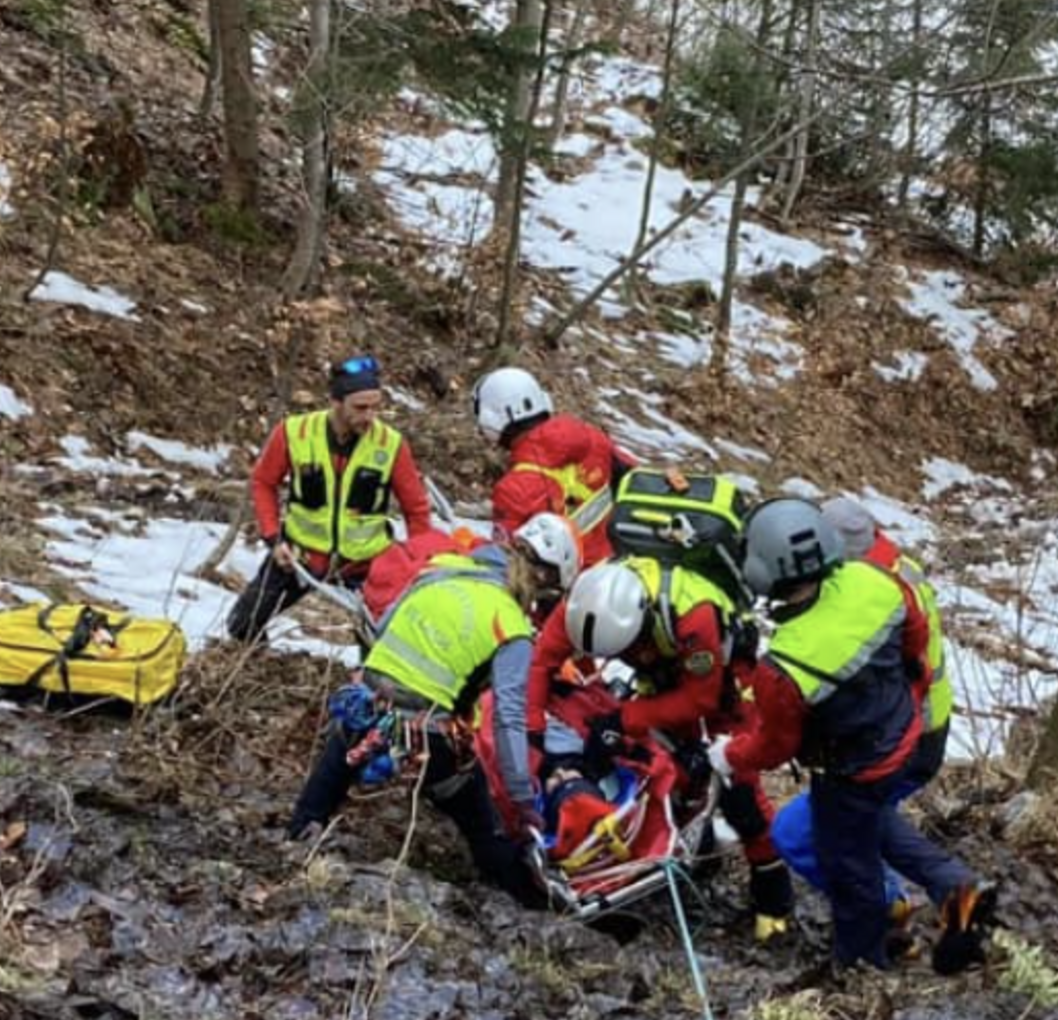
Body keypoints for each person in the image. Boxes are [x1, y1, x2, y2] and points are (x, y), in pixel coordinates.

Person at [712, 498, 991, 974]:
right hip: (904, 734)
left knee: (844, 860)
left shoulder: (787, 663)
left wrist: (731, 754)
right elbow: (916, 639)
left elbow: (776, 747)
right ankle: (953, 887)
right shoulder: (876, 582)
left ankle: (861, 961)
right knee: (864, 824)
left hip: (854, 768)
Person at [287, 517, 581, 907]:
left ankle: (296, 845)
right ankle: (540, 904)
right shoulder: (511, 627)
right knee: (483, 827)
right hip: (427, 738)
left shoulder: (440, 570)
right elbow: (508, 720)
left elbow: (380, 628)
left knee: (333, 769)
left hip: (365, 704)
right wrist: (524, 803)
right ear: (542, 580)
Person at [536, 555, 795, 938]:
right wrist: (525, 731)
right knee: (672, 766)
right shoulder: (583, 602)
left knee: (739, 787)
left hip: (721, 686)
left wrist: (623, 720)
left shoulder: (693, 614)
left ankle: (773, 899)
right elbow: (541, 663)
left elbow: (701, 699)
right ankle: (694, 845)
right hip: (659, 675)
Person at [230, 355, 433, 642]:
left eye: (376, 407)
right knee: (242, 626)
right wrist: (274, 539)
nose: (370, 416)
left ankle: (369, 684)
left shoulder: (391, 444)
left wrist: (420, 561)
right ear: (336, 402)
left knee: (386, 640)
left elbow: (417, 510)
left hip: (365, 562)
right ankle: (256, 670)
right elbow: (263, 482)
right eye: (361, 408)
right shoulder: (294, 432)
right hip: (300, 555)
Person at [474, 366, 636, 567]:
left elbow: (504, 562)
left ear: (492, 419)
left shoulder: (513, 490)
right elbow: (634, 477)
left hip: (573, 586)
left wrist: (470, 544)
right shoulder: (592, 437)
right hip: (618, 564)